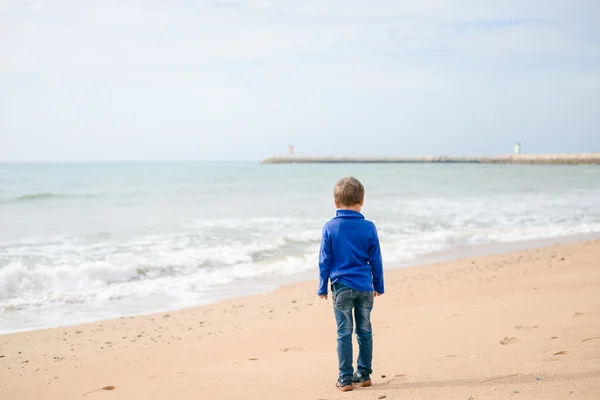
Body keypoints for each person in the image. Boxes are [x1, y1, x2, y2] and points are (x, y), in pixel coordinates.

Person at [317, 176, 384, 392]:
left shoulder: (330, 227)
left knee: (344, 332)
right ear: (362, 200)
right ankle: (363, 375)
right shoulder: (369, 227)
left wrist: (321, 286)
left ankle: (345, 379)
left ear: (336, 203)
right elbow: (376, 259)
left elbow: (324, 260)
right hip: (365, 286)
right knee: (364, 330)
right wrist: (379, 285)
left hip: (341, 286)